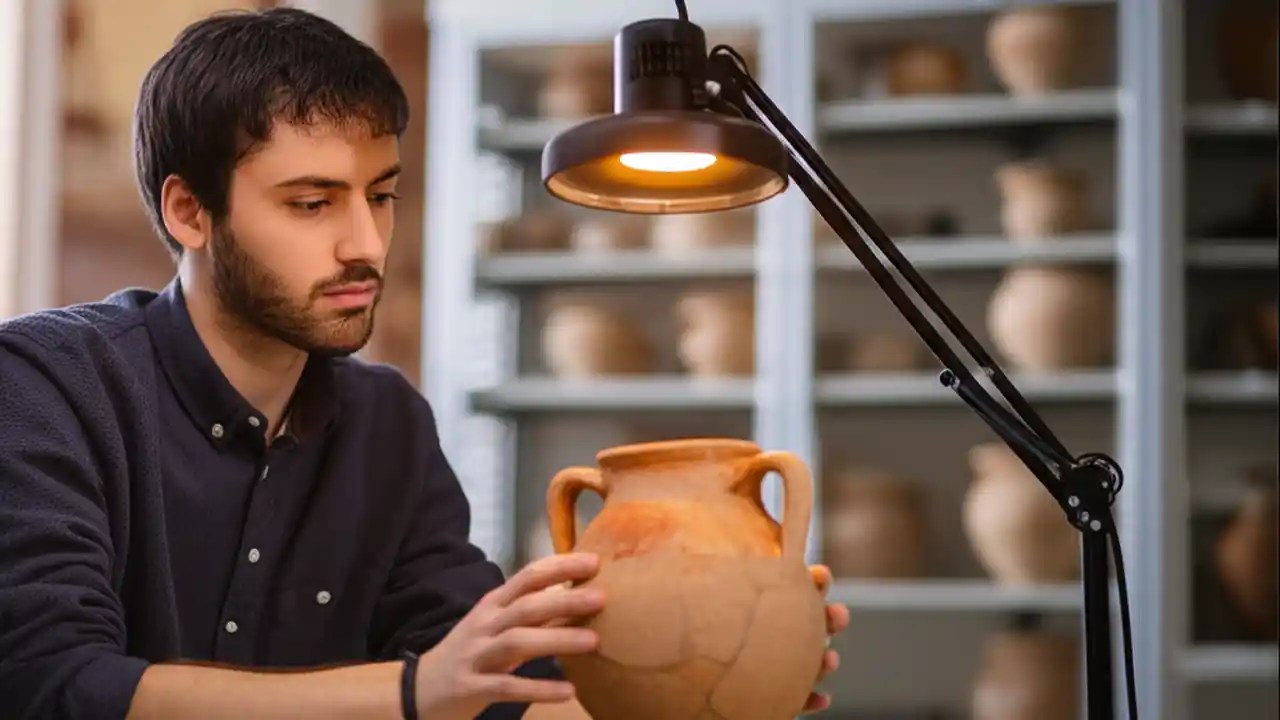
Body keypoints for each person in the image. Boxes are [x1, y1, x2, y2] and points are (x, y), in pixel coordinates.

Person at [0, 7, 848, 719]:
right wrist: (414, 693)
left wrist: (725, 676)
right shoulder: (47, 385)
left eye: (381, 195)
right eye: (310, 203)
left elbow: (504, 691)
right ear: (189, 210)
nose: (365, 245)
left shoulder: (386, 423)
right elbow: (55, 683)